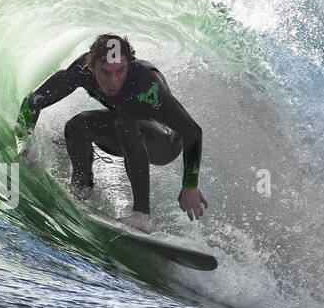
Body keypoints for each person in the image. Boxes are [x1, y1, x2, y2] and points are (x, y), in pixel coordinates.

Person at [17, 33, 207, 233]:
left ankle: (142, 215)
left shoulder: (145, 81)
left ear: (129, 63)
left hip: (164, 142)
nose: (113, 80)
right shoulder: (81, 71)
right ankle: (80, 187)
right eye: (105, 72)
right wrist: (23, 141)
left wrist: (190, 185)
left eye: (120, 71)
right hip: (124, 132)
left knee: (125, 124)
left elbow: (192, 132)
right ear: (91, 67)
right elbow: (35, 100)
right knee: (78, 125)